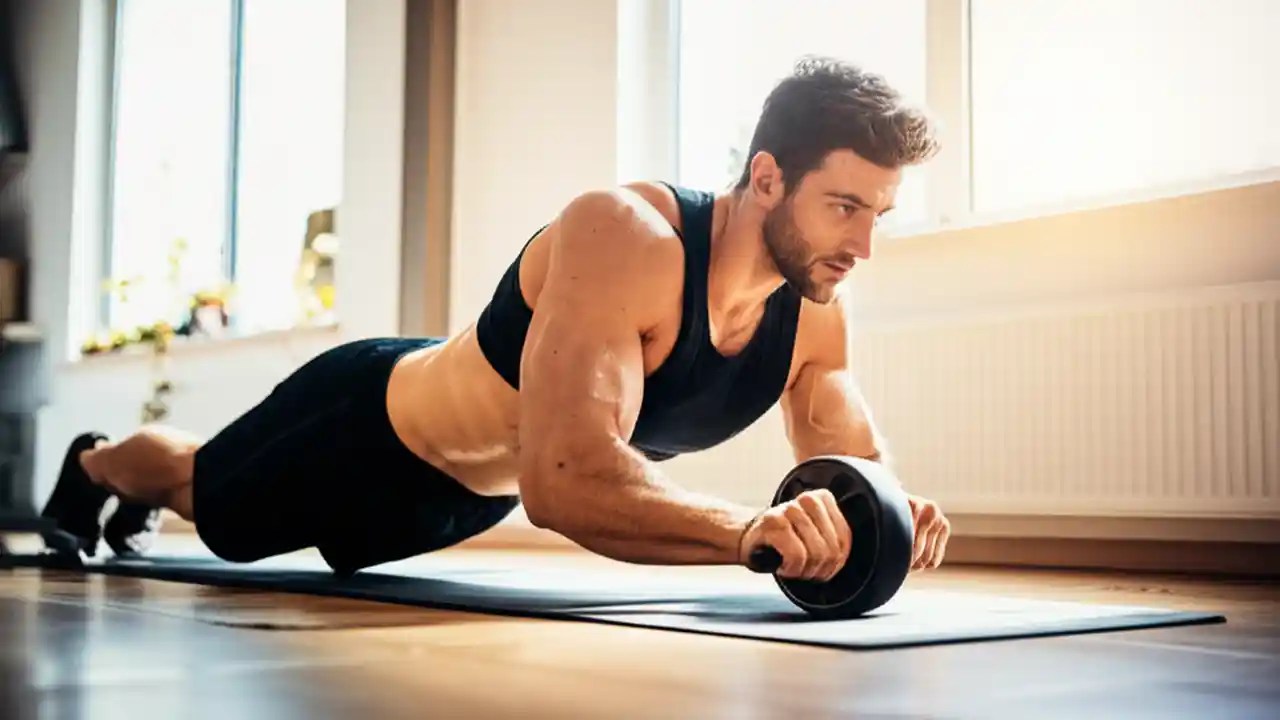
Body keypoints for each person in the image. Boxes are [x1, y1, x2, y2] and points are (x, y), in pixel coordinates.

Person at [41, 57, 953, 582]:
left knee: (258, 527)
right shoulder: (625, 233)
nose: (864, 247)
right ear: (766, 178)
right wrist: (745, 532)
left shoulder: (814, 317)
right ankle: (95, 464)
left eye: (881, 215)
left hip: (456, 506)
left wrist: (886, 512)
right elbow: (561, 480)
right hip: (366, 426)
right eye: (844, 208)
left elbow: (851, 461)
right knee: (209, 501)